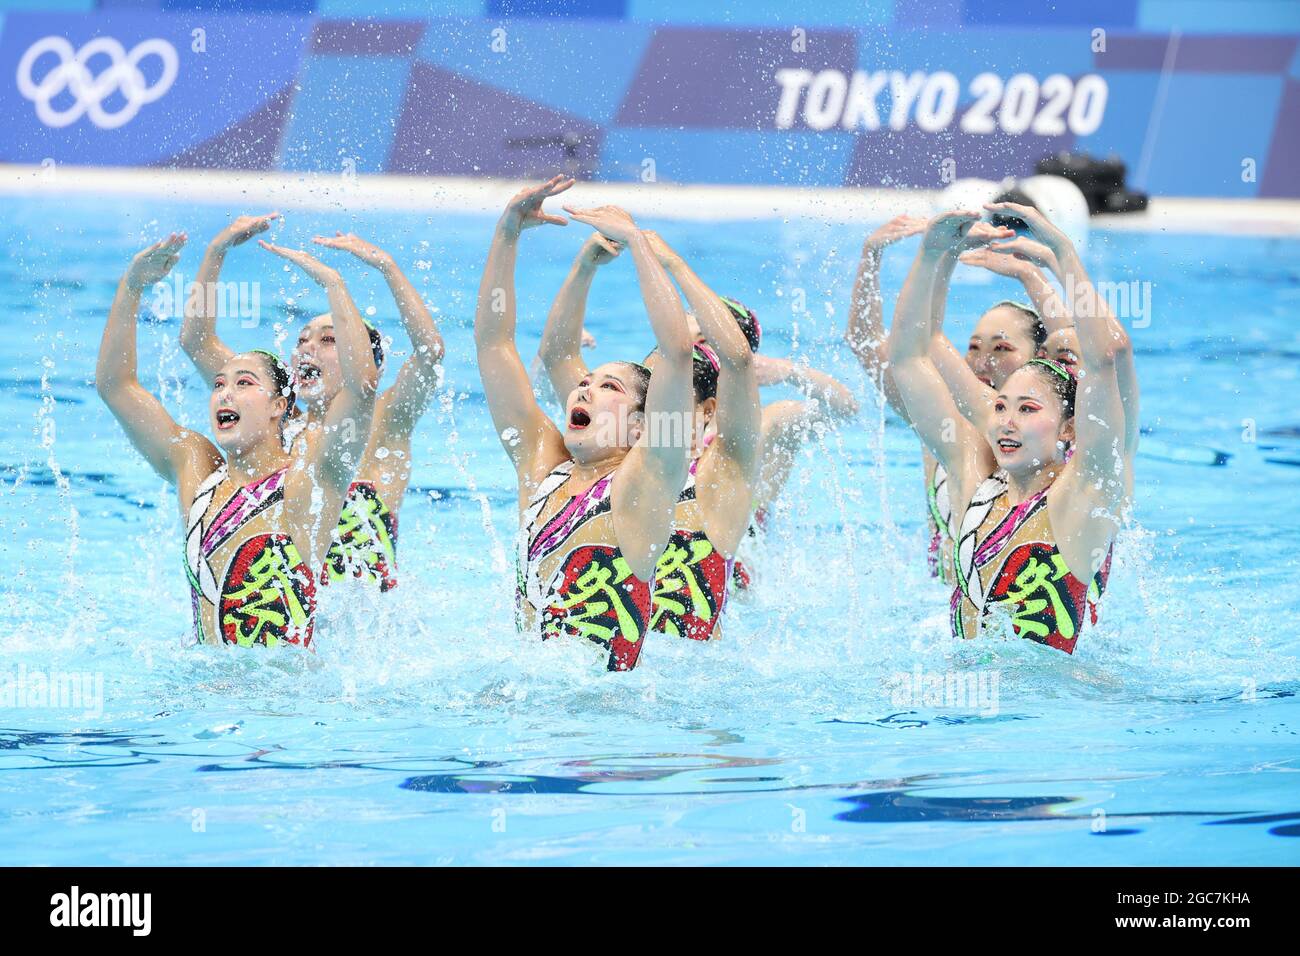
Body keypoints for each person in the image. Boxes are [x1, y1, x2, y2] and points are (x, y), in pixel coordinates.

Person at [96, 234, 377, 648]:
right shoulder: (196, 470)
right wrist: (132, 286)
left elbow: (362, 387)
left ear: (278, 406)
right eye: (219, 384)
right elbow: (114, 386)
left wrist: (335, 286)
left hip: (285, 703)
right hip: (208, 691)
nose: (225, 394)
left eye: (244, 384)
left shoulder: (307, 478)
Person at [539, 230, 854, 594]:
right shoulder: (623, 426)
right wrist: (584, 267)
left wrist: (790, 371)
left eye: (704, 335)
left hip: (725, 573)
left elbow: (845, 410)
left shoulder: (737, 447)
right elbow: (556, 360)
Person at [886, 207, 1135, 652]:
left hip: (1051, 711)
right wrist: (931, 255)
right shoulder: (972, 476)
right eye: (1000, 406)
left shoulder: (1084, 492)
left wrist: (1060, 253)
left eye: (1027, 408)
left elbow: (1108, 356)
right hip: (964, 707)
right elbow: (909, 356)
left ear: (1070, 429)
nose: (1006, 420)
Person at [475, 176, 696, 670]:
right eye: (586, 383)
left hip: (609, 727)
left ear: (641, 428)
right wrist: (507, 231)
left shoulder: (646, 480)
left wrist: (638, 243)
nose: (584, 389)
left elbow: (678, 355)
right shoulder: (541, 464)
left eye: (609, 388)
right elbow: (494, 345)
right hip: (531, 713)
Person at [180, 215, 445, 591]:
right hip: (296, 625)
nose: (308, 349)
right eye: (303, 341)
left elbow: (430, 352)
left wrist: (387, 268)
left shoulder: (384, 423)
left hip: (365, 627)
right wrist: (215, 252)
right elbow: (197, 342)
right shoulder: (275, 423)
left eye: (328, 340)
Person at [538, 230, 763, 637]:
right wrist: (584, 267)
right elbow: (558, 356)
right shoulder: (610, 461)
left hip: (688, 686)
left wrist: (673, 263)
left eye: (671, 396)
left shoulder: (721, 473)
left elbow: (739, 361)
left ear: (704, 410)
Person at [846, 214, 1072, 584]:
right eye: (973, 347)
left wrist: (1032, 277)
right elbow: (872, 344)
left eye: (1002, 348)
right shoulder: (944, 418)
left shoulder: (1051, 437)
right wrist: (874, 255)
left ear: (1039, 358)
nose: (983, 361)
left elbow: (1074, 352)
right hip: (946, 605)